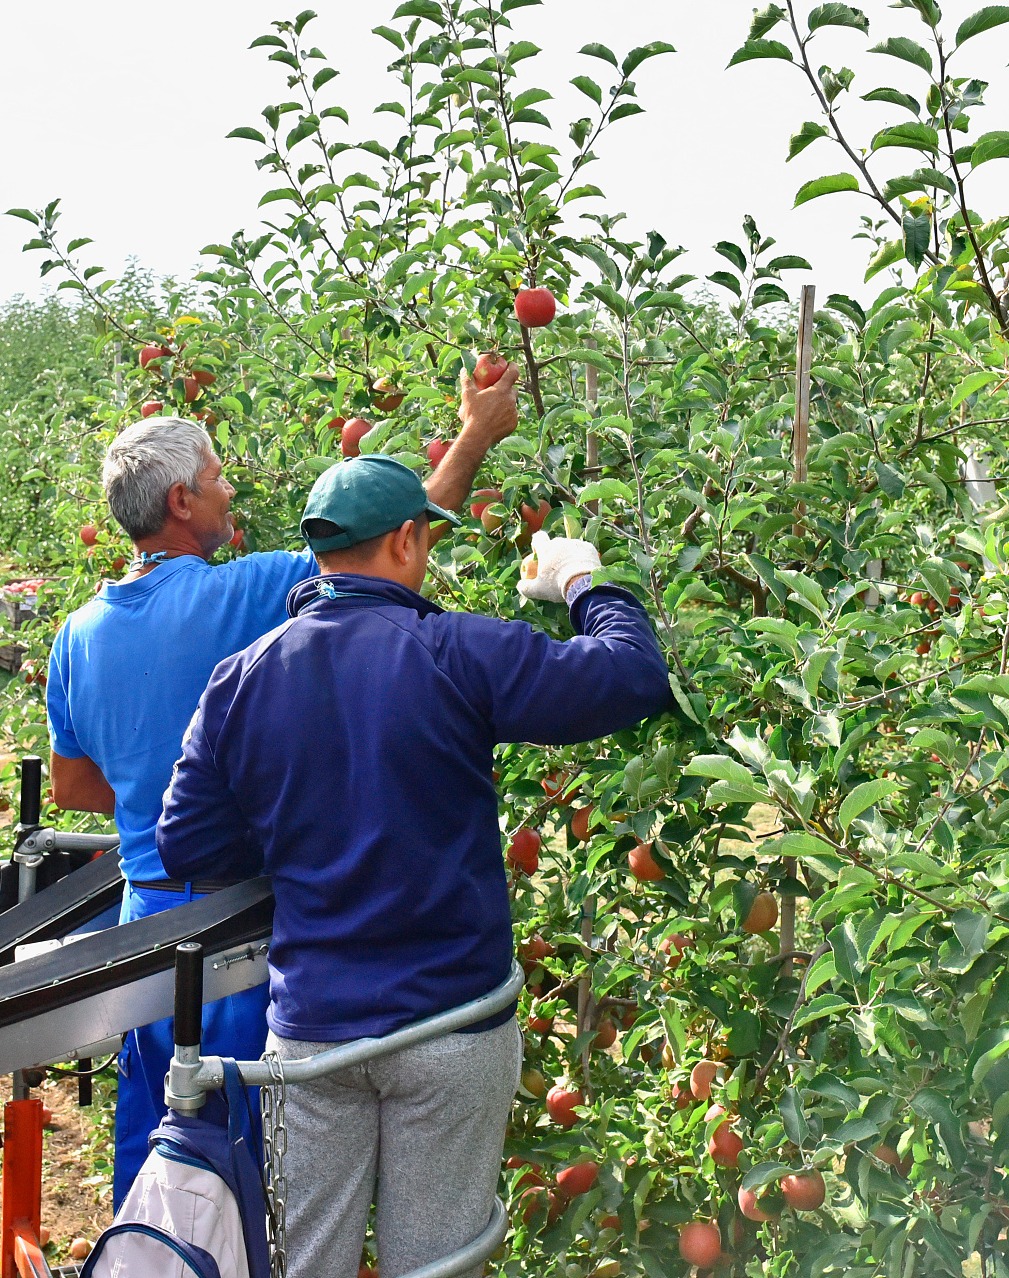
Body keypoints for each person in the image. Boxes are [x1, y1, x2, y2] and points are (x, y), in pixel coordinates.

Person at [156, 454, 674, 1278]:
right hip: (448, 1025)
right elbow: (633, 675)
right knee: (432, 1264)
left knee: (306, 1263)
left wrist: (298, 833)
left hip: (313, 1030)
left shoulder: (239, 680)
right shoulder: (457, 652)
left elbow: (185, 843)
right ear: (405, 539)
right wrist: (584, 583)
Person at [46, 369, 518, 1208]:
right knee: (252, 1166)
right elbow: (387, 540)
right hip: (237, 924)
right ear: (185, 500)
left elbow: (77, 784)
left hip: (143, 922)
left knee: (158, 1148)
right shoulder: (250, 593)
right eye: (221, 476)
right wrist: (475, 435)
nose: (233, 490)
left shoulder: (76, 635)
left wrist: (150, 772)